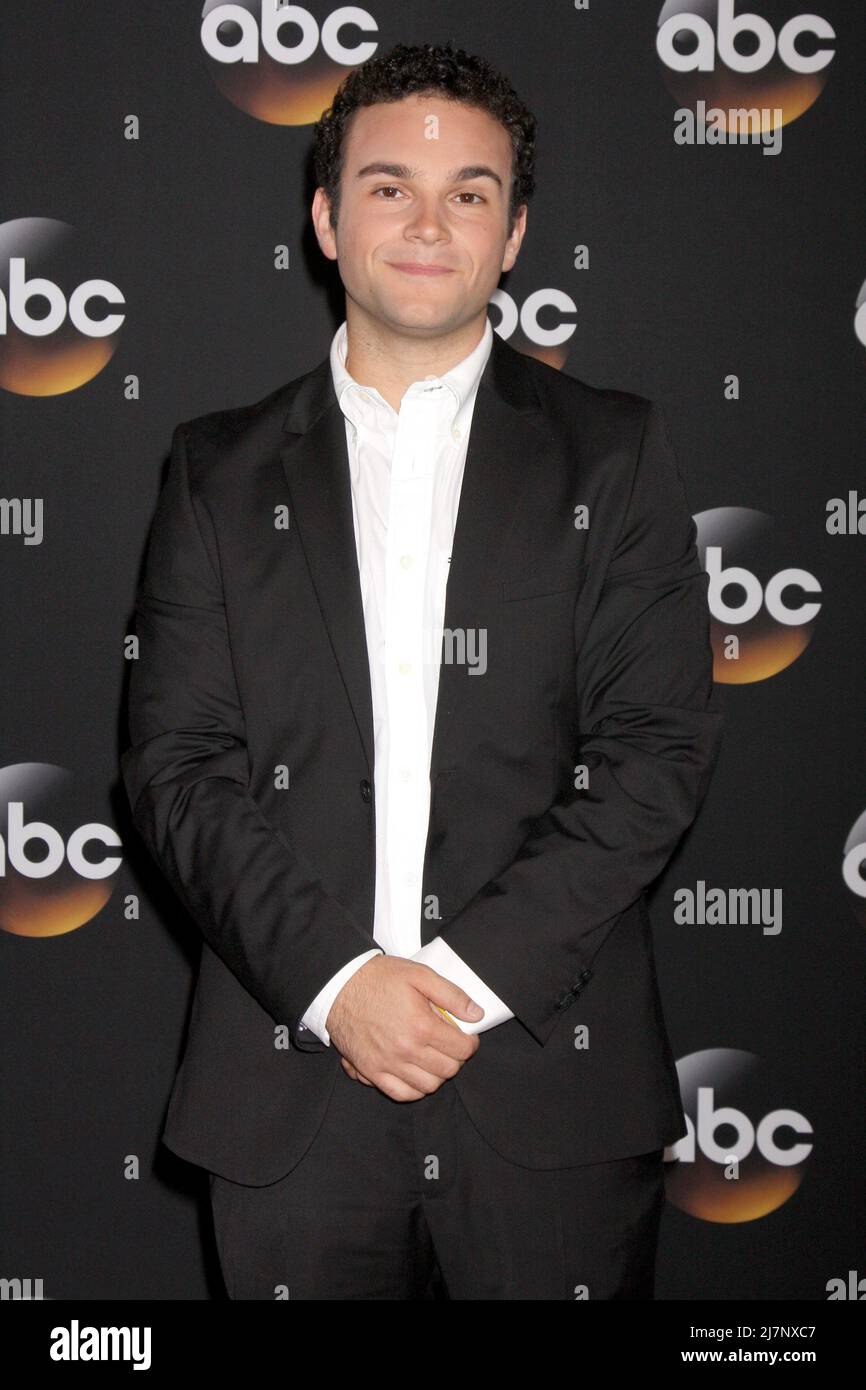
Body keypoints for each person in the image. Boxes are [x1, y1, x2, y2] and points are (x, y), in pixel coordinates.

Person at [121, 40, 723, 1300]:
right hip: (290, 1087)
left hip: (546, 1085)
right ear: (327, 218)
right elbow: (178, 769)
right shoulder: (215, 474)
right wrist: (342, 988)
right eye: (390, 186)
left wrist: (448, 988)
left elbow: (651, 755)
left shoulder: (610, 457)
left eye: (470, 194)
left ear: (512, 238)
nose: (429, 222)